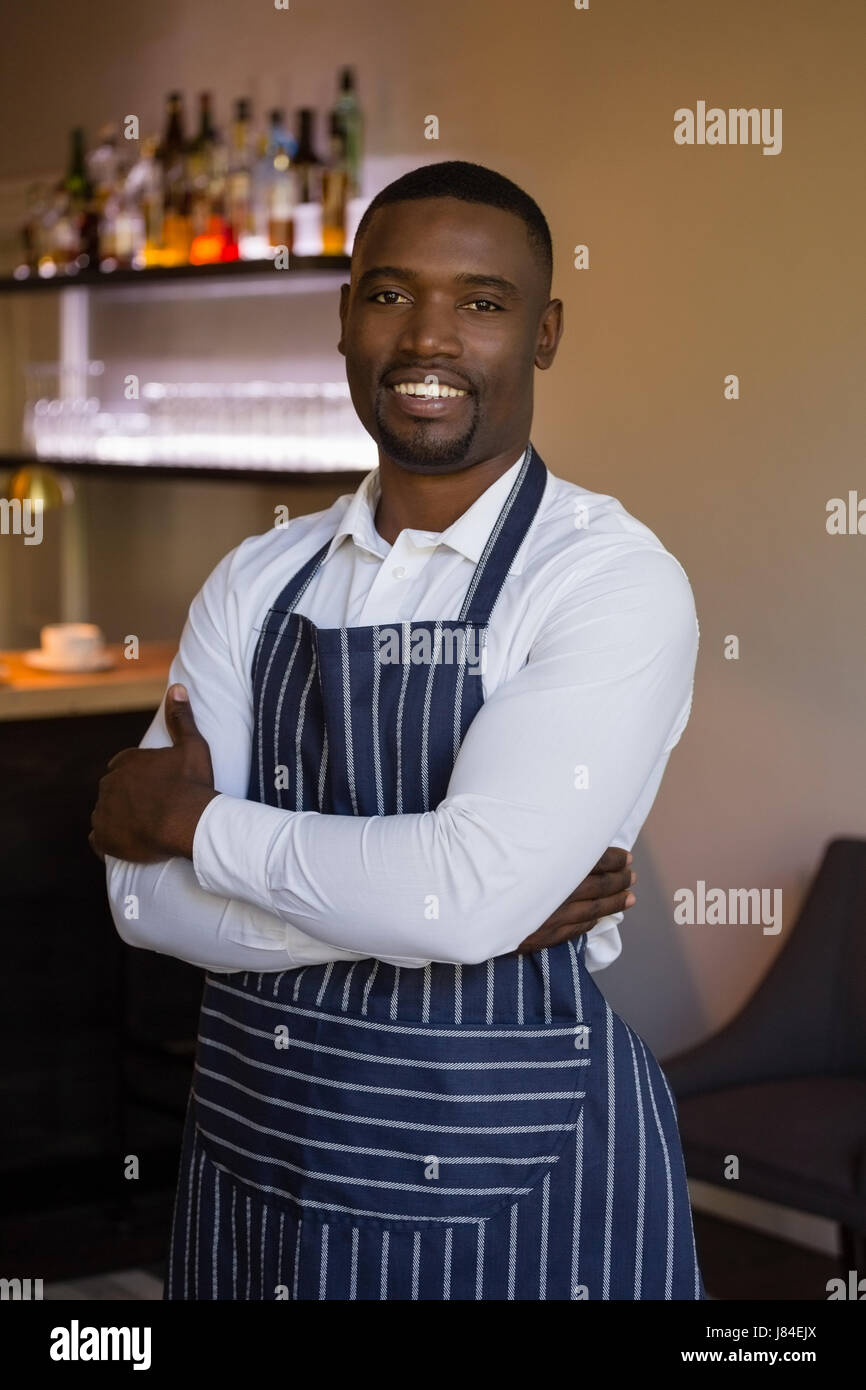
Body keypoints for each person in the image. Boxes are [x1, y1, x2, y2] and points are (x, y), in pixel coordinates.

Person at [91, 160, 704, 1300]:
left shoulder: (605, 580)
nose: (428, 337)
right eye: (388, 294)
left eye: (481, 302)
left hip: (510, 1169)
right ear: (342, 319)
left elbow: (463, 894)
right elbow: (140, 902)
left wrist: (191, 820)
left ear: (543, 332)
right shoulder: (257, 577)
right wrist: (445, 919)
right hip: (255, 1145)